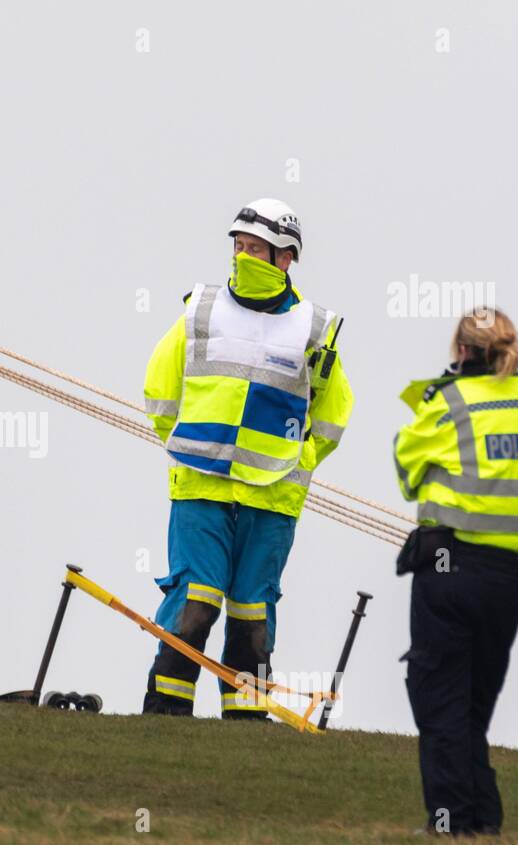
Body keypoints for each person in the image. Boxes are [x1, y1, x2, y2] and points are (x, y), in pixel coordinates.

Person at [141, 199, 354, 718]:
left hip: (275, 493)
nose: (244, 256)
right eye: (239, 246)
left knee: (252, 614)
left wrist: (297, 461)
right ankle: (164, 717)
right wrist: (189, 444)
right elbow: (160, 392)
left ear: (286, 258)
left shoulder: (315, 327)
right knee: (196, 600)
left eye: (256, 248)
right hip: (200, 485)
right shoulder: (202, 309)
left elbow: (332, 416)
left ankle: (245, 724)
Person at [394, 307, 518, 835]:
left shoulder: (447, 403)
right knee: (474, 704)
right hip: (513, 578)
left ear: (462, 351)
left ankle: (449, 825)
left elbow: (406, 472)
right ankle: (481, 823)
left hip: (450, 569)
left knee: (439, 696)